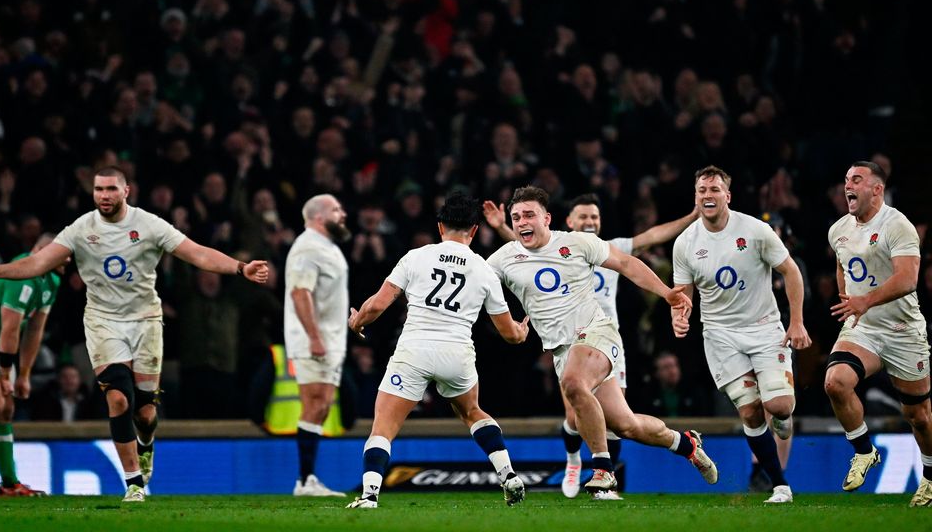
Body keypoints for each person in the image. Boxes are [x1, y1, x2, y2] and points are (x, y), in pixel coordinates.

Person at [0, 166, 269, 502]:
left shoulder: (149, 225)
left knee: (145, 413)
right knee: (118, 398)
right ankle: (134, 483)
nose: (104, 195)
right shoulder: (81, 229)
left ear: (126, 191)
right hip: (103, 321)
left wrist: (239, 267)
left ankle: (146, 444)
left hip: (145, 320)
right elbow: (37, 263)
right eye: (99, 190)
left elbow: (197, 253)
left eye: (111, 189)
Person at [486, 186, 717, 499]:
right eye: (516, 217)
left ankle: (603, 470)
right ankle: (685, 443)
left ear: (547, 218)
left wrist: (666, 293)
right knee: (626, 425)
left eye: (529, 214)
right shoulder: (503, 258)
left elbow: (626, 263)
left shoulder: (577, 242)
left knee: (573, 383)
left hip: (597, 332)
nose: (522, 221)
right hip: (562, 349)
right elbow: (478, 288)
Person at [345, 192, 530, 509]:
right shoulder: (484, 270)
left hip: (414, 350)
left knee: (384, 427)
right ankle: (508, 474)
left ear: (440, 226)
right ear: (473, 230)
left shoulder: (416, 256)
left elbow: (377, 304)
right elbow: (508, 333)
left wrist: (357, 321)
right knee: (472, 412)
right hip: (457, 354)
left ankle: (369, 495)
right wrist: (522, 332)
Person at [671, 165, 811, 504]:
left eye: (715, 189)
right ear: (695, 197)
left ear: (727, 196)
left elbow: (790, 270)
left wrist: (797, 322)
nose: (708, 195)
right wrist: (680, 315)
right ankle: (780, 485)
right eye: (702, 190)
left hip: (764, 327)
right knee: (750, 412)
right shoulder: (685, 243)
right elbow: (682, 292)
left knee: (779, 406)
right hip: (720, 335)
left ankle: (782, 417)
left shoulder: (755, 230)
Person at [825, 161, 932, 507]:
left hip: (903, 331)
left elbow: (907, 279)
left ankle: (930, 478)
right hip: (864, 328)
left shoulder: (897, 225)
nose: (848, 186)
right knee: (835, 382)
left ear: (877, 189)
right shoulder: (838, 229)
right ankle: (864, 450)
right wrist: (848, 298)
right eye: (846, 180)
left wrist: (864, 300)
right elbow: (842, 264)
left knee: (918, 416)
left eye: (856, 179)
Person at [0, 235, 61, 496]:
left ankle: (10, 482)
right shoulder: (23, 270)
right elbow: (10, 328)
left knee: (6, 411)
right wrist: (6, 375)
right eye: (64, 252)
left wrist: (24, 375)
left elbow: (34, 330)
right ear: (45, 251)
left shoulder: (51, 281)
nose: (69, 259)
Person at [284, 194, 351, 497]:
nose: (343, 214)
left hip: (329, 339)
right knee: (314, 404)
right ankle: (304, 480)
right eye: (337, 209)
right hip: (314, 340)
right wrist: (313, 337)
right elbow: (300, 292)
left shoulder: (326, 247)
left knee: (322, 406)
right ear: (320, 216)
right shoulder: (308, 247)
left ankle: (307, 479)